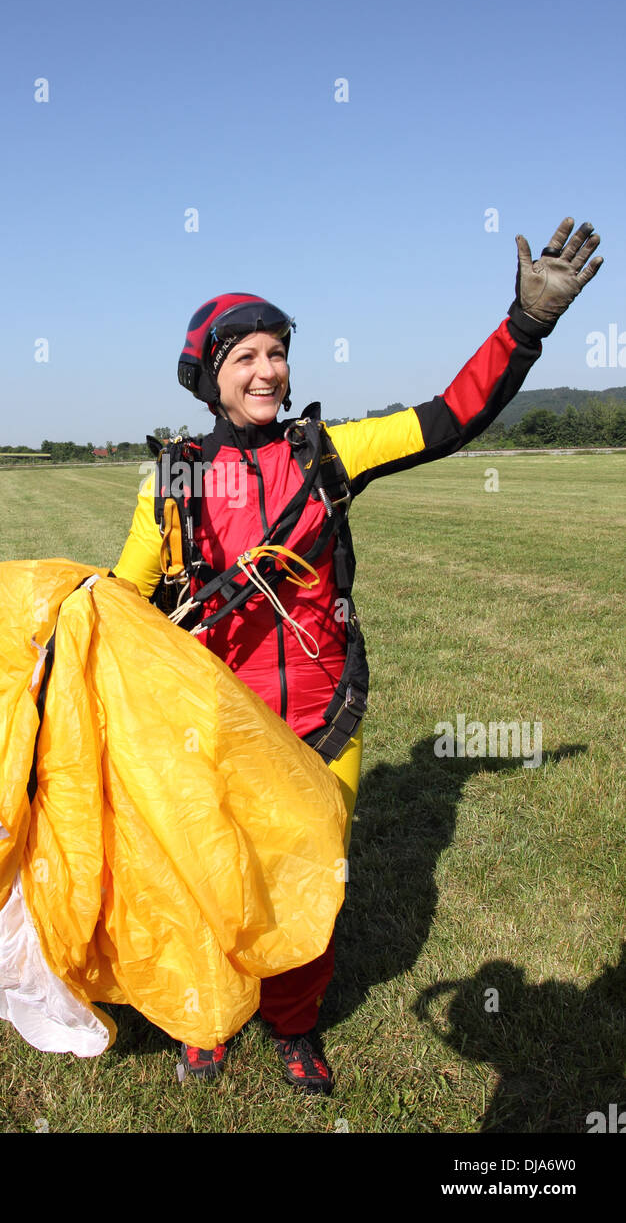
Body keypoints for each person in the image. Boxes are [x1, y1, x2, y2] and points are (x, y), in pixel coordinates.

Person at [111, 217, 603, 1094]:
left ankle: (294, 1024)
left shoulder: (327, 452)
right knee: (211, 878)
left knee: (311, 887)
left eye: (277, 352)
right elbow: (126, 604)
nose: (268, 372)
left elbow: (450, 418)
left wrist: (524, 327)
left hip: (322, 716)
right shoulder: (175, 479)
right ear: (209, 378)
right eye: (245, 358)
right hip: (215, 730)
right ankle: (208, 1013)